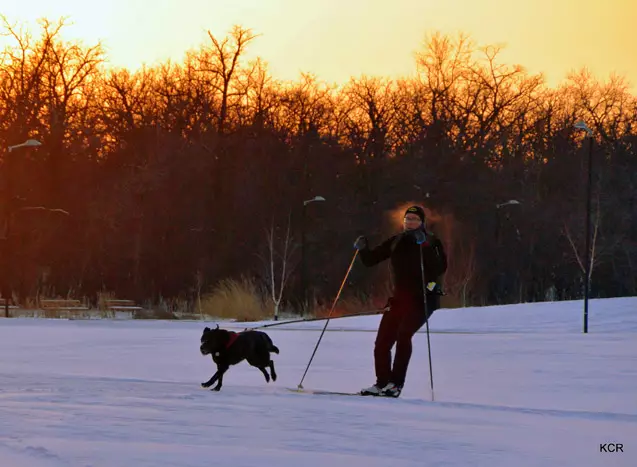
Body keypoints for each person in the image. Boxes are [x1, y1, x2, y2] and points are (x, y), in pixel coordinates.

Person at [354, 205, 447, 397]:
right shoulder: (397, 241)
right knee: (382, 343)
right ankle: (382, 383)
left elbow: (439, 267)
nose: (410, 222)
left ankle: (396, 385)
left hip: (423, 299)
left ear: (422, 223)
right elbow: (371, 260)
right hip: (399, 299)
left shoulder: (431, 241)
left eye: (414, 219)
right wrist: (363, 249)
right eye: (407, 219)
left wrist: (424, 246)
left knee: (404, 335)